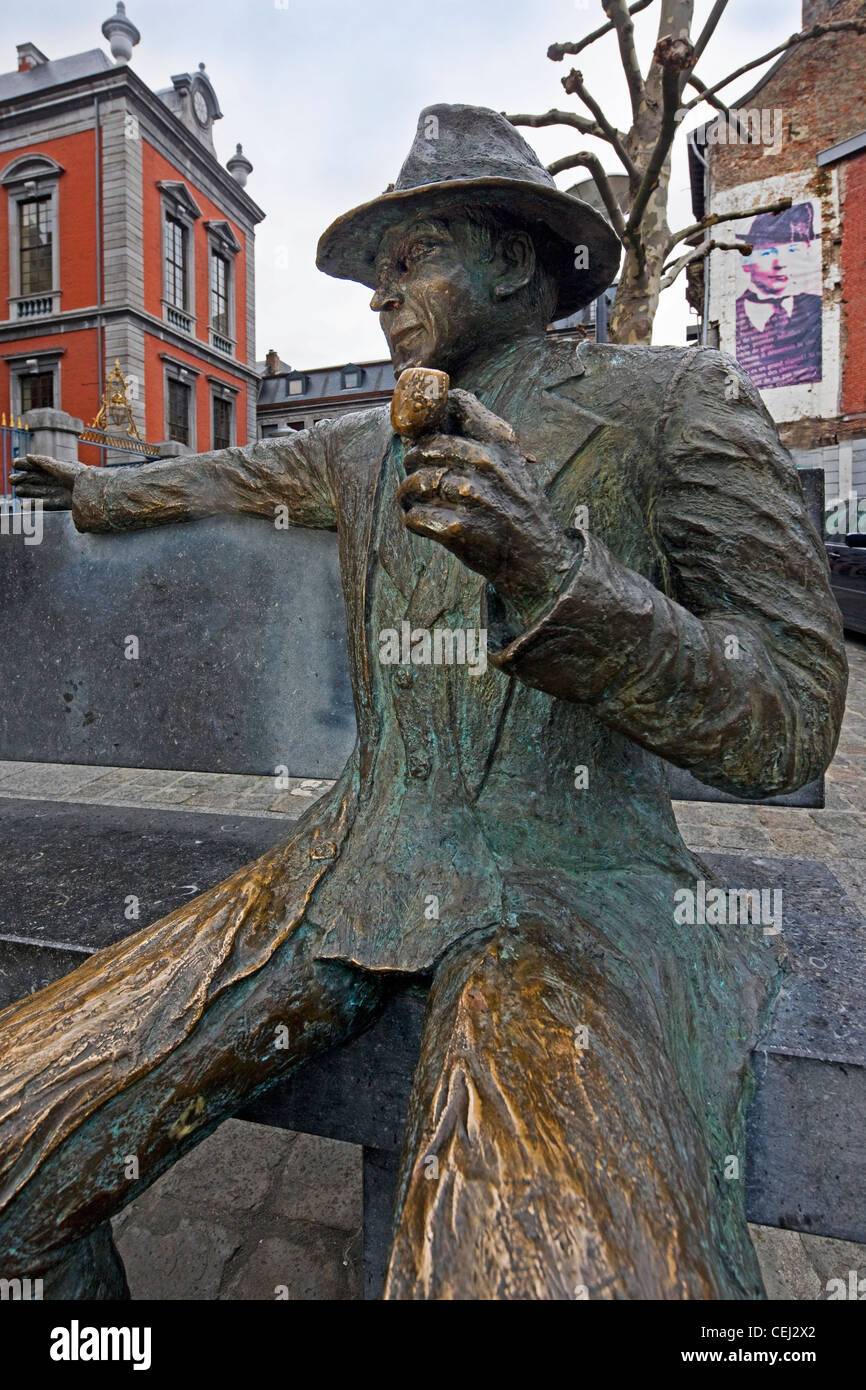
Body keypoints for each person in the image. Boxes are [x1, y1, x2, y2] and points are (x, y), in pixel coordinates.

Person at [3, 104, 846, 1300]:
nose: (380, 295)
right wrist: (93, 487)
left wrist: (559, 578)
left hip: (573, 898)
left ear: (512, 257)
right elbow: (224, 472)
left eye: (412, 262)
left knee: (528, 1267)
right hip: (350, 865)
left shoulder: (674, 405)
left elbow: (792, 713)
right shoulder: (359, 449)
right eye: (375, 274)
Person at [735, 203, 823, 388]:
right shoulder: (733, 315)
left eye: (792, 250)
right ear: (746, 262)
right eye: (768, 252)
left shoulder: (817, 307)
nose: (780, 263)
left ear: (806, 251)